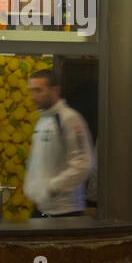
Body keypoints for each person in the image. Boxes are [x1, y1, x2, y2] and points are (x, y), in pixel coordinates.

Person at [23, 68, 94, 218]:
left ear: (54, 90)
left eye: (38, 90)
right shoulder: (43, 119)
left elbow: (83, 164)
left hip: (65, 212)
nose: (33, 96)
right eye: (31, 90)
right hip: (42, 208)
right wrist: (33, 187)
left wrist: (51, 187)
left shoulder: (69, 119)